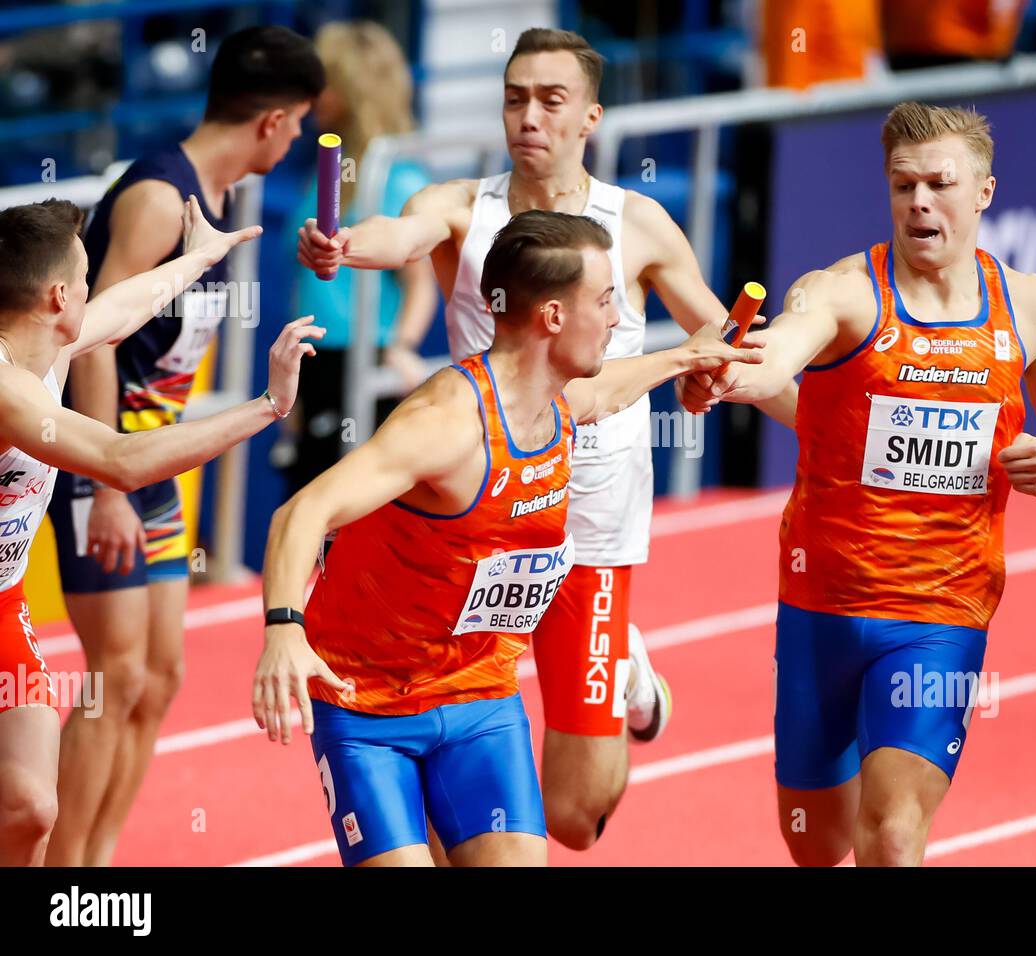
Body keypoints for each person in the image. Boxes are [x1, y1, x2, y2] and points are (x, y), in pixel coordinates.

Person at [296, 27, 797, 851]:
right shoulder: (465, 206)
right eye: (514, 97)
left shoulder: (637, 225)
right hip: (471, 528)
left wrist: (816, 426)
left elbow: (730, 343)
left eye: (550, 100)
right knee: (453, 790)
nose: (528, 115)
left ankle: (628, 676)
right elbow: (400, 234)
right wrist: (348, 247)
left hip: (589, 524)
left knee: (575, 818)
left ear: (590, 116)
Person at [253, 210, 760, 866]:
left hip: (481, 698)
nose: (615, 318)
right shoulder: (445, 426)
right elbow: (302, 511)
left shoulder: (557, 403)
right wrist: (283, 630)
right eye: (605, 301)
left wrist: (687, 356)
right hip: (370, 706)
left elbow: (606, 391)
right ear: (552, 316)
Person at [680, 101, 1036, 866]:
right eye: (904, 185)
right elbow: (780, 352)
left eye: (941, 184)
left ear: (984, 193)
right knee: (816, 842)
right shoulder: (842, 292)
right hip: (820, 605)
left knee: (895, 836)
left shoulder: (1033, 307)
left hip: (943, 610)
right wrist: (732, 370)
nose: (920, 202)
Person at [44, 24, 325, 867]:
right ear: (274, 120)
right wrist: (107, 486)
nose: (304, 138)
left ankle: (95, 863)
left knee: (158, 679)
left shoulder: (217, 196)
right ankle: (57, 876)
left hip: (153, 457)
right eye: (303, 121)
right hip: (107, 462)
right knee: (114, 678)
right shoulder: (162, 198)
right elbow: (93, 336)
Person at [0, 195, 319, 865]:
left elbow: (124, 306)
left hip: (5, 604)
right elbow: (124, 462)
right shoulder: (9, 388)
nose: (97, 290)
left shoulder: (49, 342)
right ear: (60, 296)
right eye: (87, 277)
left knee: (32, 804)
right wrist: (266, 406)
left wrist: (200, 257)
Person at [278, 20, 435, 496]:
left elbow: (420, 285)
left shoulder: (399, 179)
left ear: (352, 88)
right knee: (304, 494)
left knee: (344, 507)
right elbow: (307, 277)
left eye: (324, 82)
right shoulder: (327, 170)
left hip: (364, 362)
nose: (313, 94)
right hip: (314, 358)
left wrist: (401, 348)